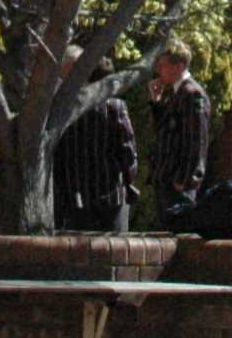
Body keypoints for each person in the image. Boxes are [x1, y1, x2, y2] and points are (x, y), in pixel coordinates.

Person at [55, 83, 139, 233]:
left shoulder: (65, 109)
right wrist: (129, 181)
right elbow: (128, 150)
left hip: (78, 194)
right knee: (116, 248)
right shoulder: (114, 106)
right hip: (112, 192)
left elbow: (60, 154)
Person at [146, 38, 213, 224]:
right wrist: (156, 101)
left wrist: (184, 180)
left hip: (178, 183)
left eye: (163, 65)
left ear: (179, 65)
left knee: (179, 234)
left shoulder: (192, 94)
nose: (159, 70)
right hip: (166, 179)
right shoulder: (175, 93)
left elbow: (197, 140)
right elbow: (162, 131)